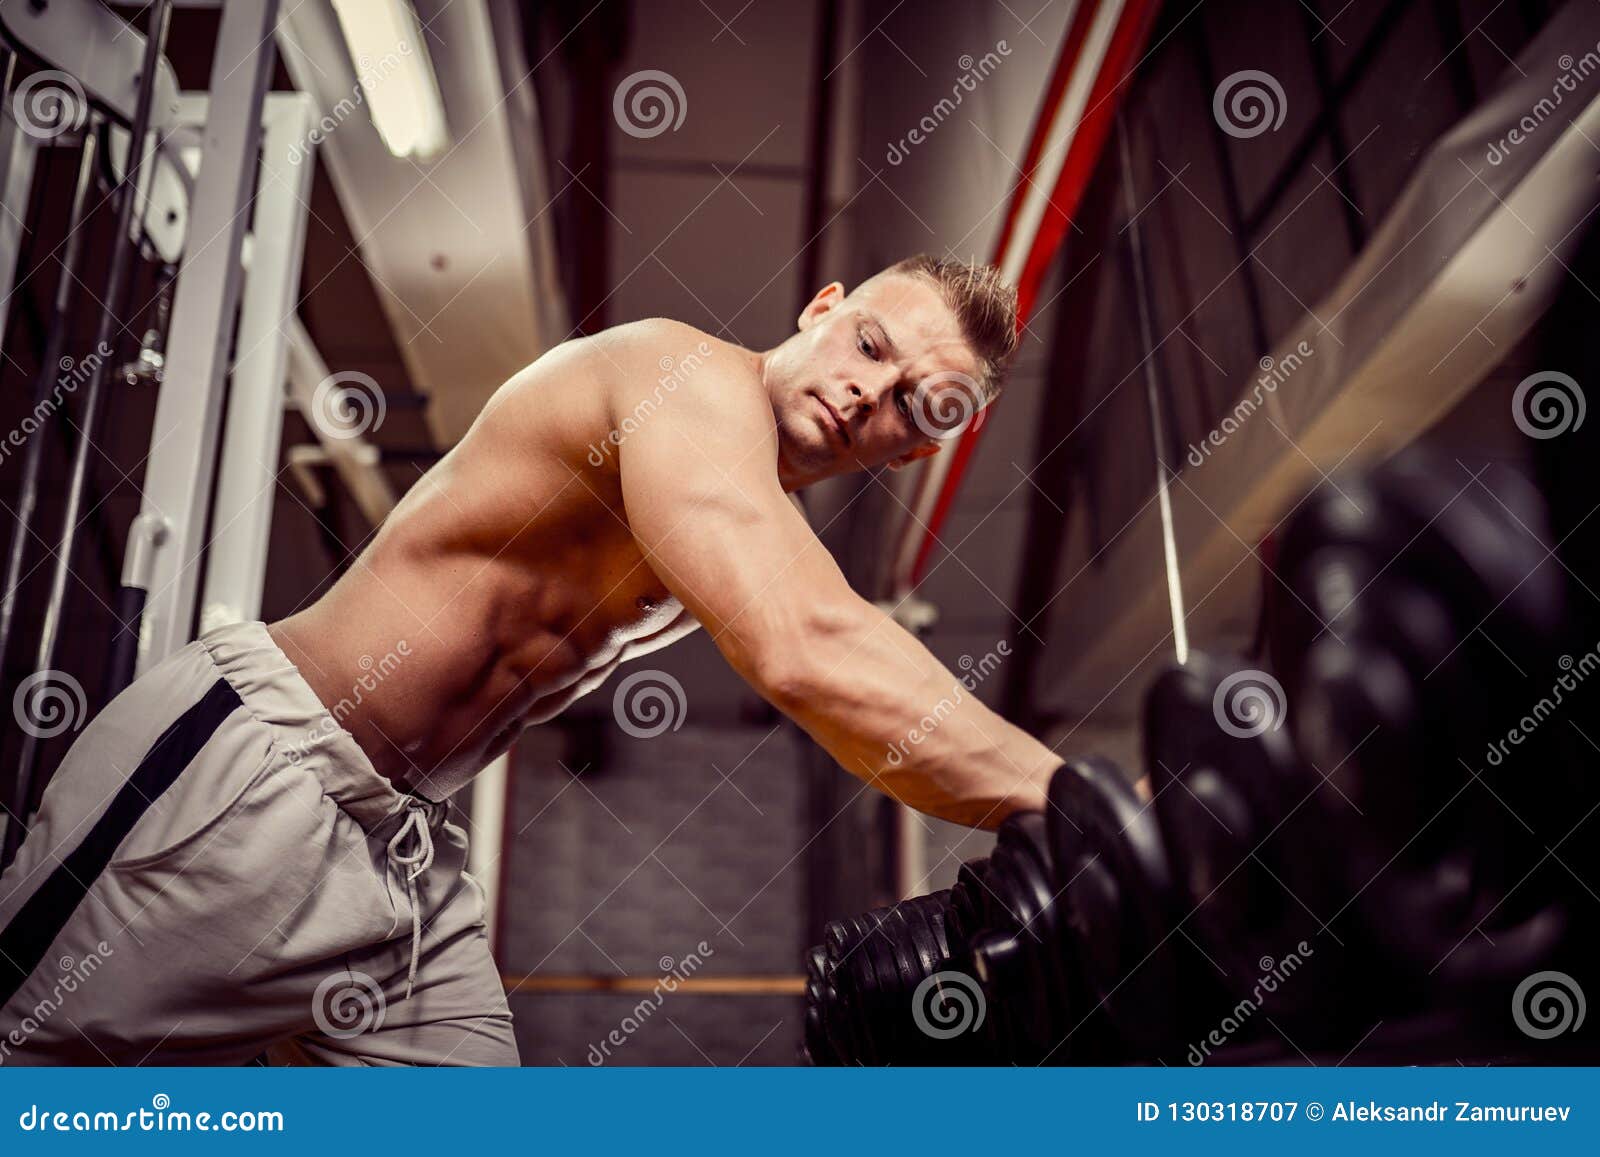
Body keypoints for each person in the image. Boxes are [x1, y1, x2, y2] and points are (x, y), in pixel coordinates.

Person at [0, 255, 1062, 1065]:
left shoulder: (750, 509)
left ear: (920, 448)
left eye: (917, 404)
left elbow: (852, 704)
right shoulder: (678, 376)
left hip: (396, 849)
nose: (867, 391)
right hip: (255, 767)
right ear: (822, 307)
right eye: (871, 346)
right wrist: (1079, 806)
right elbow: (809, 648)